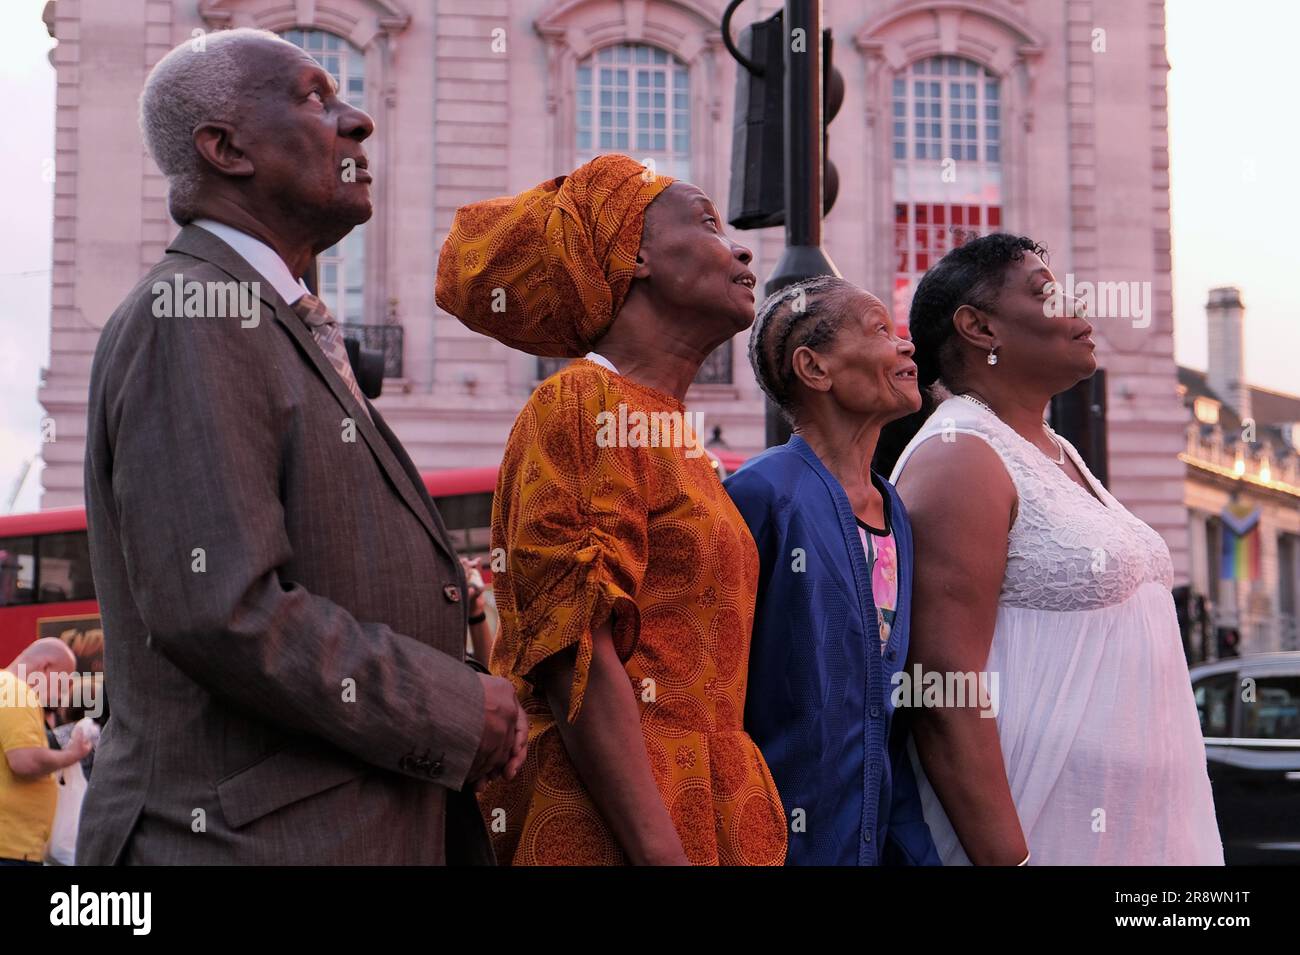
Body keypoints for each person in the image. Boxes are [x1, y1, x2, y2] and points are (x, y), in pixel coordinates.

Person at [79, 27, 525, 866]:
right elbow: (224, 608)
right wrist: (459, 711)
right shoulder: (195, 313)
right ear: (224, 148)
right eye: (316, 97)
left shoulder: (261, 314)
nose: (358, 122)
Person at [436, 154, 787, 865]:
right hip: (621, 829)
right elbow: (576, 651)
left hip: (706, 807)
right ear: (637, 254)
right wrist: (661, 853)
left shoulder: (670, 430)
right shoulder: (586, 405)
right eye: (709, 222)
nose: (744, 248)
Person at [882, 233, 1222, 864]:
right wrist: (1009, 858)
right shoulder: (961, 455)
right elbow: (939, 687)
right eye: (1048, 292)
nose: (1079, 306)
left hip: (1137, 832)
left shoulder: (1057, 449)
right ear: (979, 327)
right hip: (1043, 830)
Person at [725, 276, 939, 865]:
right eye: (880, 331)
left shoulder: (893, 507)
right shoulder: (759, 494)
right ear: (814, 368)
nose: (907, 347)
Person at [1, 639, 89, 866]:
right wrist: (72, 754)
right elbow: (24, 760)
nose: (61, 695)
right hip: (11, 848)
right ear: (45, 668)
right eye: (62, 683)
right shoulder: (17, 692)